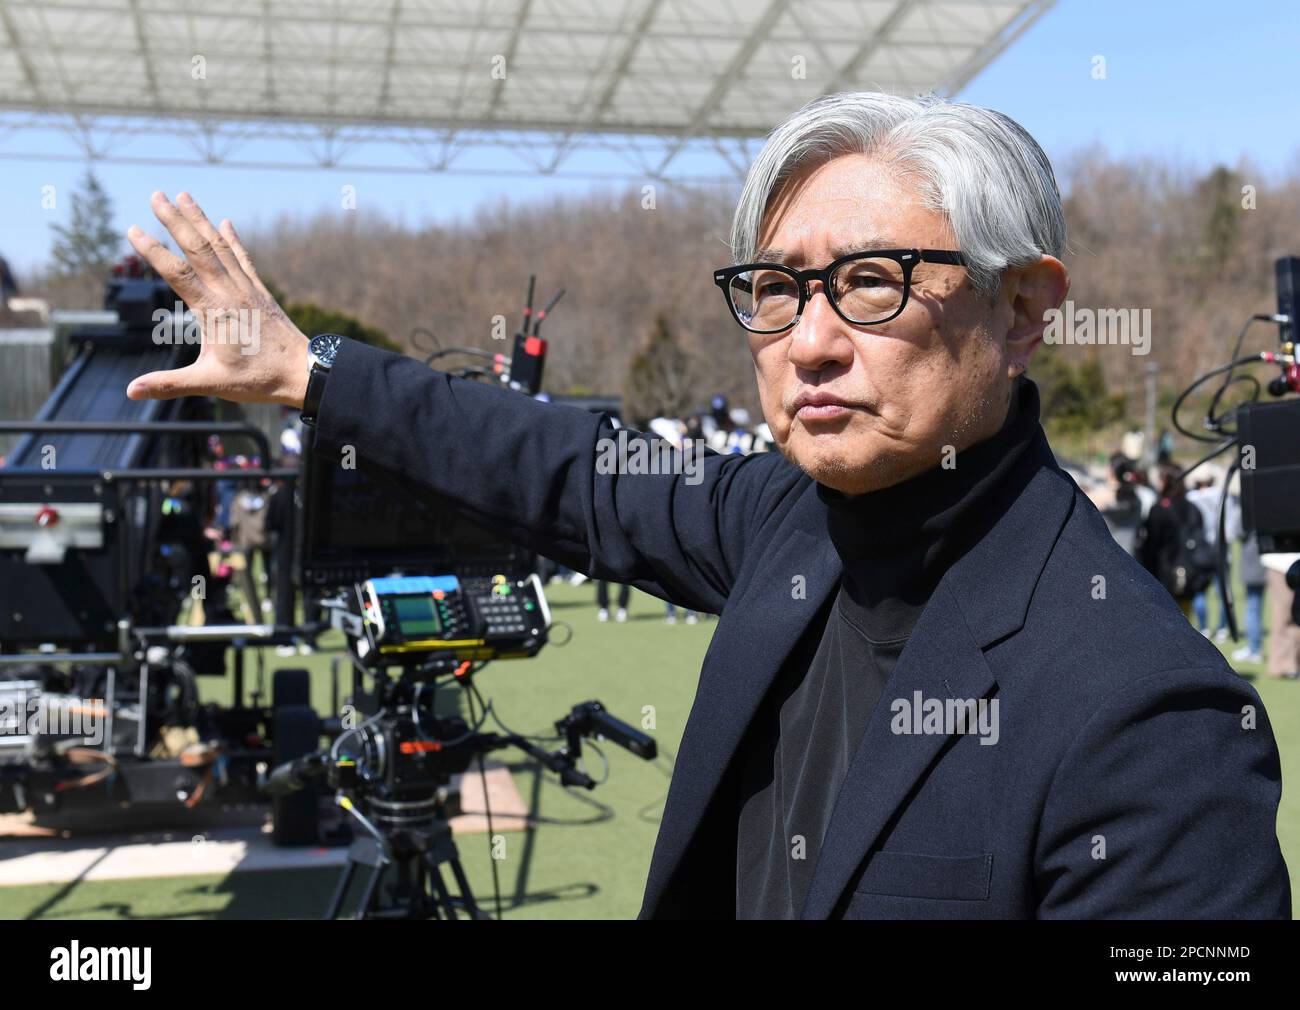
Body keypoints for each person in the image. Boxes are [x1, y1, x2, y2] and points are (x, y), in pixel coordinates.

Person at [122, 91, 1289, 919]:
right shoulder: (783, 521)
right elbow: (559, 463)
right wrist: (310, 372)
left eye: (870, 280)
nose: (810, 340)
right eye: (776, 288)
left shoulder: (1147, 715)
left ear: (1023, 308)